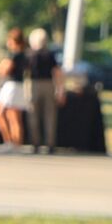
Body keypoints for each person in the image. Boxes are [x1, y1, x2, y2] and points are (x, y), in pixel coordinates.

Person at [25, 26, 66, 154]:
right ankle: (50, 143)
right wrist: (60, 89)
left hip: (35, 85)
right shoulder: (51, 55)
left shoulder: (30, 55)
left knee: (33, 115)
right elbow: (57, 73)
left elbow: (26, 73)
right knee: (50, 115)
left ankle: (35, 143)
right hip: (49, 84)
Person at [0, 26, 30, 149]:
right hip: (18, 86)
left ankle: (10, 142)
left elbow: (4, 70)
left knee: (3, 114)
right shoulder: (24, 55)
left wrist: (3, 65)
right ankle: (15, 143)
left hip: (12, 86)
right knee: (14, 116)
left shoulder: (15, 55)